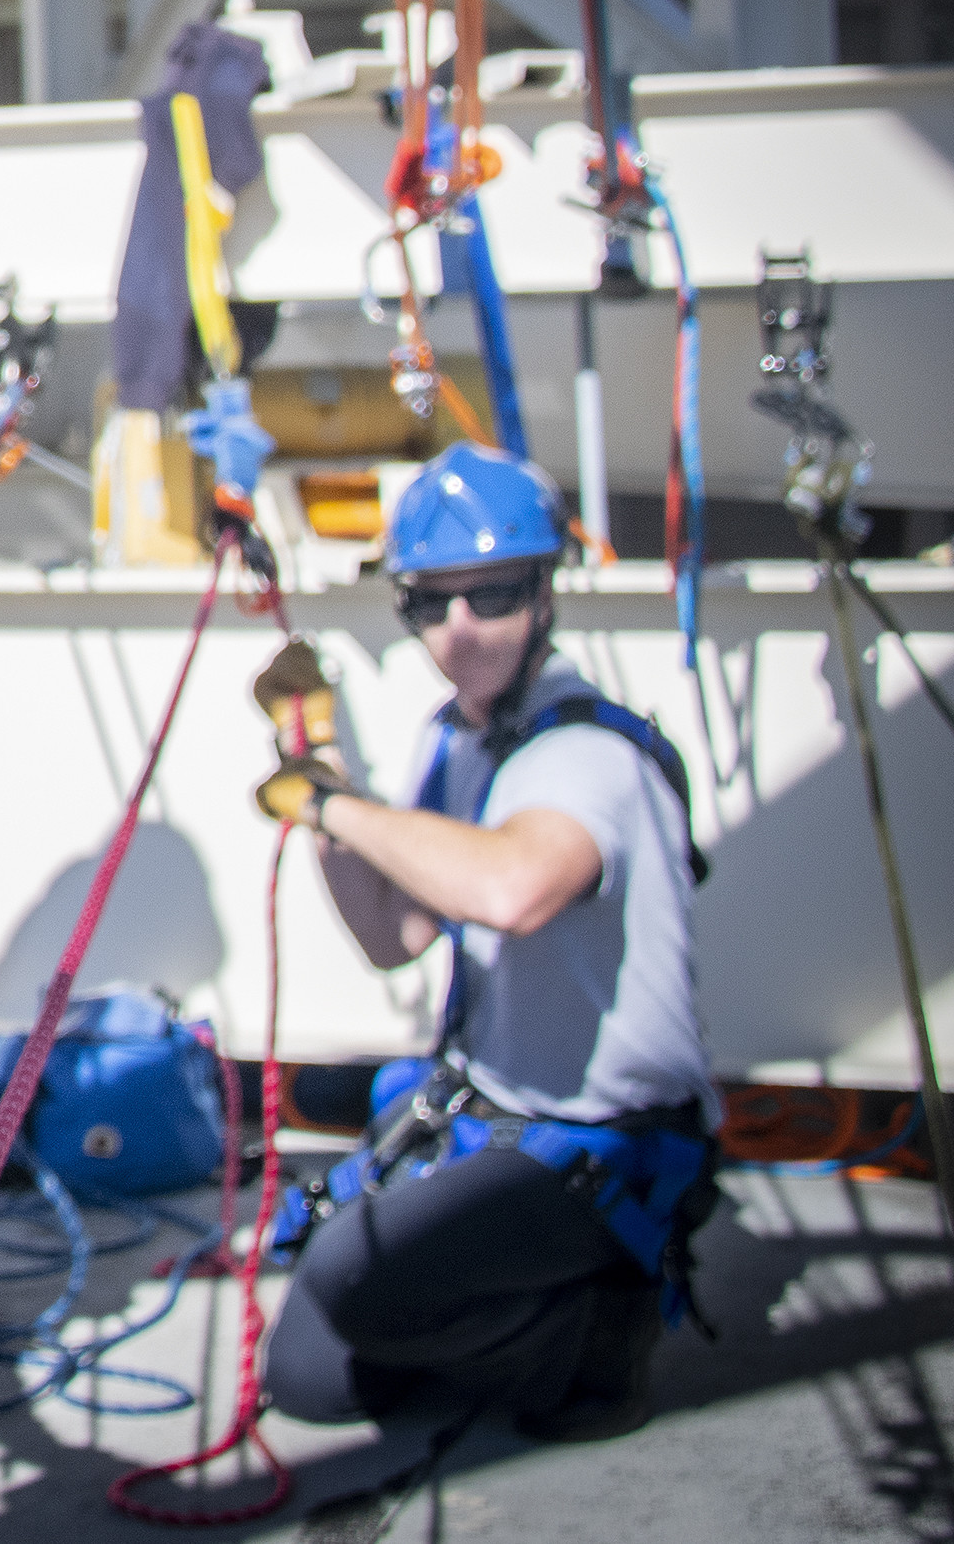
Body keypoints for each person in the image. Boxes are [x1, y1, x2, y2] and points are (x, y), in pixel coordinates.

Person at [256, 442, 718, 1443]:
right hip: (494, 1110)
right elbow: (392, 935)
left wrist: (333, 807)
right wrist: (315, 763)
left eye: (493, 596)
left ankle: (600, 1328)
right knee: (307, 1377)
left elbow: (513, 889)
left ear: (545, 596)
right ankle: (518, 1316)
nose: (460, 629)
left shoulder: (586, 752)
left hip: (602, 1144)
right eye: (431, 604)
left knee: (358, 1277)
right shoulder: (456, 741)